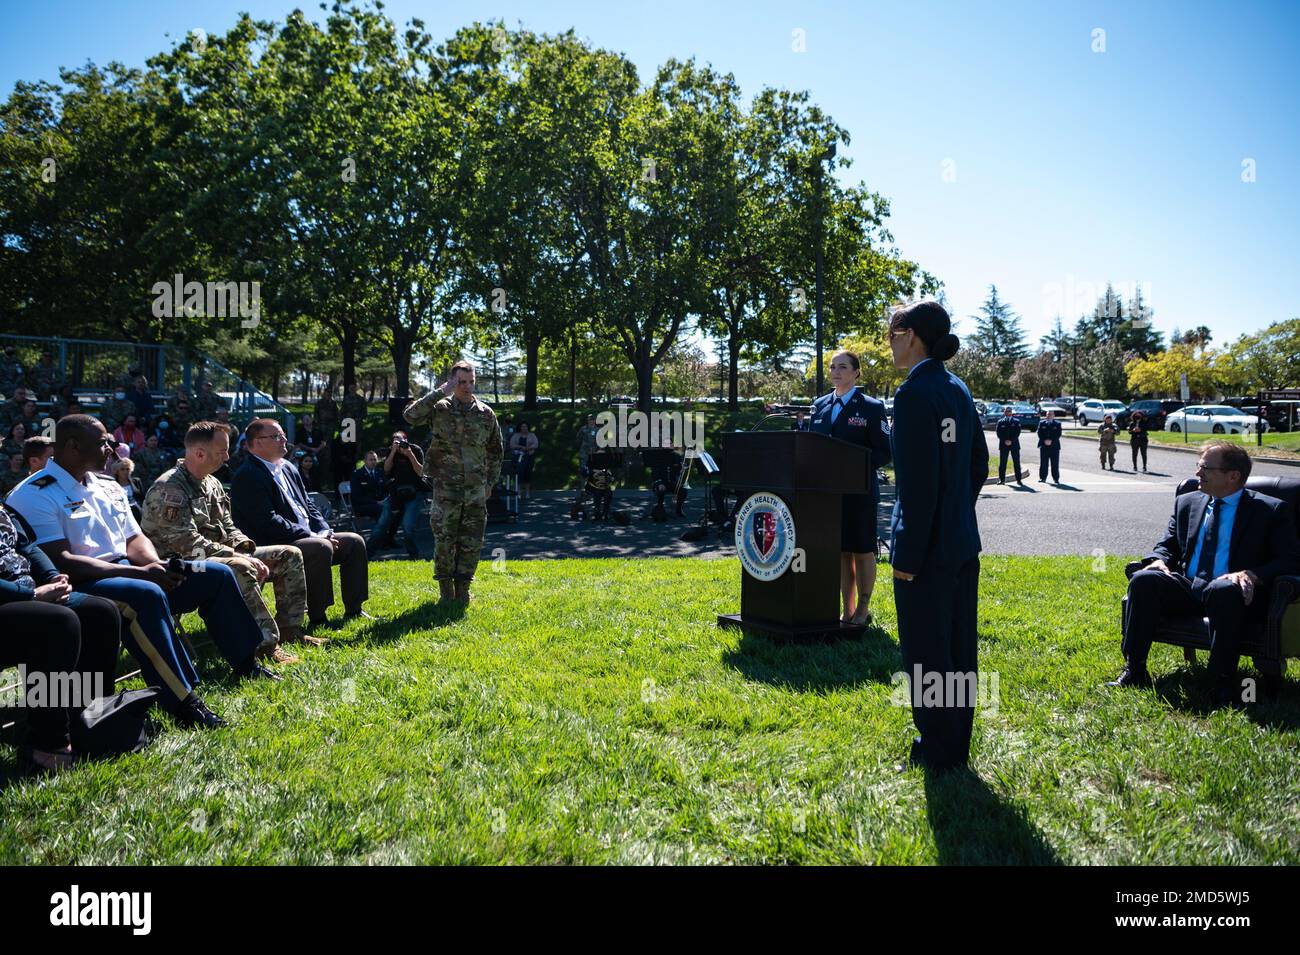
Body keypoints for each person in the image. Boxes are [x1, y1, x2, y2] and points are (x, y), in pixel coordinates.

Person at [6, 415, 280, 729]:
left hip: (131, 571)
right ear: (72, 447)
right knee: (145, 595)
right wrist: (143, 575)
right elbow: (62, 561)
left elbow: (134, 538)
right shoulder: (35, 493)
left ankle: (246, 661)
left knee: (214, 574)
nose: (111, 449)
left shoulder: (107, 486)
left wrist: (156, 565)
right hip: (87, 583)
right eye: (102, 443)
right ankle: (184, 702)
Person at [1109, 442, 1300, 707]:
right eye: (1199, 466)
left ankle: (1223, 682)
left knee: (1222, 590)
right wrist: (1158, 561)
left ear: (1233, 476)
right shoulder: (1188, 502)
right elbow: (1168, 545)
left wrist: (1251, 574)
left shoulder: (1270, 510)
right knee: (1144, 579)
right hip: (1190, 586)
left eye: (1205, 468)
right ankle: (1135, 669)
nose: (1198, 473)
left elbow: (1291, 560)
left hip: (1234, 592)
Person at [886, 301, 988, 772]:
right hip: (961, 544)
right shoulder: (957, 387)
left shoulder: (913, 395)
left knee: (927, 653)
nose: (888, 343)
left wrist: (907, 552)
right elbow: (978, 466)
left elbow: (917, 486)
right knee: (958, 649)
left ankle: (935, 748)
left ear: (909, 335)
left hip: (925, 554)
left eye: (891, 333)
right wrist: (954, 517)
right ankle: (955, 745)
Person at [142, 420, 315, 663]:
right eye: (222, 451)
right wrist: (237, 557)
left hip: (213, 554)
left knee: (289, 554)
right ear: (200, 453)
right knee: (240, 567)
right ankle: (265, 644)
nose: (227, 457)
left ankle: (291, 630)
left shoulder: (212, 482)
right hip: (179, 564)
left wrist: (245, 549)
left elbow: (229, 527)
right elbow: (186, 543)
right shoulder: (169, 488)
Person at [0, 506, 121, 773]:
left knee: (101, 612)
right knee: (57, 623)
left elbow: (28, 546)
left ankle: (88, 721)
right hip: (11, 599)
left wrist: (52, 576)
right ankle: (47, 743)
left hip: (28, 591)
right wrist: (29, 595)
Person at [231, 418, 372, 628]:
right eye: (277, 436)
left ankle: (355, 608)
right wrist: (312, 535)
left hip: (306, 536)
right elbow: (267, 522)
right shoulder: (248, 475)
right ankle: (319, 616)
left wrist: (325, 529)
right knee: (320, 548)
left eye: (283, 435)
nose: (284, 440)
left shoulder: (288, 467)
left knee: (354, 542)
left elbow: (308, 505)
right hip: (274, 543)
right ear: (257, 442)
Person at [402, 361, 502, 603]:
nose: (467, 387)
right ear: (452, 382)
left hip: (475, 490)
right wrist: (439, 391)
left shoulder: (485, 413)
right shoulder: (440, 407)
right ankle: (446, 590)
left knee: (471, 540)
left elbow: (496, 451)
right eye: (461, 382)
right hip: (446, 488)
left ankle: (464, 588)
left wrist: (489, 483)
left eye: (470, 382)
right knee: (445, 539)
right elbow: (410, 416)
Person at [809, 350, 891, 625]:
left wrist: (854, 469)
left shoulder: (871, 407)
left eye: (843, 367)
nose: (836, 372)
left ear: (856, 372)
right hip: (828, 495)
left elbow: (884, 452)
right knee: (842, 551)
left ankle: (864, 609)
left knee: (862, 549)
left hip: (860, 492)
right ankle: (848, 609)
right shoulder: (818, 405)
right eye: (832, 367)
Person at [370, 431, 427, 558]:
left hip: (415, 492)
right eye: (395, 441)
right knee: (382, 524)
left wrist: (409, 454)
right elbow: (386, 469)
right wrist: (393, 452)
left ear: (406, 440)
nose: (398, 443)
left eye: (400, 440)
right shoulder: (392, 451)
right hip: (397, 493)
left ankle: (413, 555)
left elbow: (421, 472)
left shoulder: (415, 450)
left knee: (408, 526)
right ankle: (367, 554)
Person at [350, 450, 387, 520]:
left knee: (394, 507)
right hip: (363, 505)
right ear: (365, 461)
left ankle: (391, 530)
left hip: (379, 502)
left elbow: (385, 489)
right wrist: (376, 502)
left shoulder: (379, 472)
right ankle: (380, 530)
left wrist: (385, 500)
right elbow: (357, 497)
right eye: (370, 460)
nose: (373, 462)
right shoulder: (357, 474)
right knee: (382, 509)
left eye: (375, 460)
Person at [509, 422, 539, 503]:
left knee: (527, 473)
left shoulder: (532, 435)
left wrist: (528, 448)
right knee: (519, 473)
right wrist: (520, 447)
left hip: (529, 457)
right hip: (518, 457)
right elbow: (511, 445)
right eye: (522, 427)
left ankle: (527, 493)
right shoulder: (516, 435)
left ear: (528, 427)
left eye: (525, 426)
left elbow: (536, 444)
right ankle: (518, 492)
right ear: (520, 428)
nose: (524, 428)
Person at [995, 405, 1023, 486]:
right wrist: (1005, 440)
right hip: (1003, 445)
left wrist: (1011, 440)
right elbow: (998, 433)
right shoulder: (1000, 422)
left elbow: (1017, 433)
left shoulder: (1016, 421)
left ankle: (1019, 480)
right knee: (1003, 463)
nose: (1008, 412)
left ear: (1012, 412)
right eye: (1007, 411)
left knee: (1016, 462)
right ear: (1004, 412)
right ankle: (1001, 480)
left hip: (1014, 444)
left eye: (1010, 411)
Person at [111, 457, 144, 522]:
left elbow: (143, 498)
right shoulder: (112, 484)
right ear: (117, 471)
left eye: (127, 469)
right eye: (122, 469)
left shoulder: (136, 481)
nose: (125, 471)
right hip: (121, 516)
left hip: (138, 514)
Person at [1037, 409, 1062, 484]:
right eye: (1047, 414)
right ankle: (1042, 478)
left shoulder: (1057, 424)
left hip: (1054, 446)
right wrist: (1045, 440)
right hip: (1044, 446)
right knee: (1043, 463)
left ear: (1054, 416)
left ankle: (1056, 479)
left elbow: (1058, 434)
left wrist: (1051, 441)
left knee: (1055, 464)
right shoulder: (1042, 423)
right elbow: (1039, 433)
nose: (1049, 416)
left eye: (1050, 414)